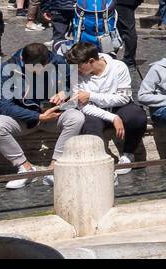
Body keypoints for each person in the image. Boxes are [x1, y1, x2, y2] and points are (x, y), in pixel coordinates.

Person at [0, 42, 71, 188]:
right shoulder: (8, 68)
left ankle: (54, 167)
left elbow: (73, 85)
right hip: (24, 120)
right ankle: (26, 168)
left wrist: (65, 92)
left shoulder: (57, 60)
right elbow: (4, 106)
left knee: (77, 118)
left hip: (52, 116)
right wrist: (37, 117)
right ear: (24, 62)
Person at [61, 42, 148, 173]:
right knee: (89, 125)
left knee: (137, 117)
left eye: (79, 67)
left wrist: (91, 96)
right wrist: (112, 117)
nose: (77, 71)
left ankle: (128, 153)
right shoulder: (75, 72)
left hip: (120, 106)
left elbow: (123, 98)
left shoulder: (119, 67)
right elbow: (83, 106)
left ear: (91, 61)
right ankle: (100, 161)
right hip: (93, 110)